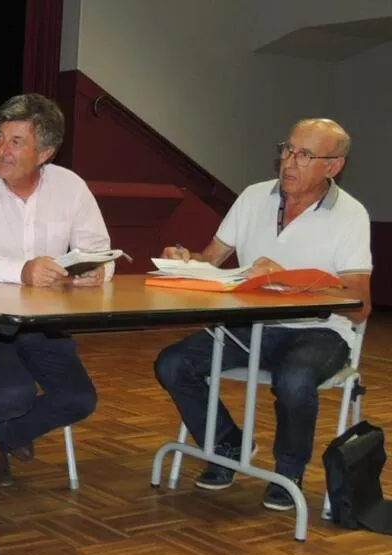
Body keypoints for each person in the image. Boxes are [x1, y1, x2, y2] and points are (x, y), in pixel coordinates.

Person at [154, 118, 371, 511]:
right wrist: (185, 260)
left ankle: (288, 472)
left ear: (333, 166)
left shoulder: (350, 215)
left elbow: (359, 303)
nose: (289, 162)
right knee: (173, 363)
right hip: (249, 324)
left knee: (295, 378)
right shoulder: (254, 197)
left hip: (319, 331)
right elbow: (211, 258)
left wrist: (286, 281)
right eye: (287, 149)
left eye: (305, 155)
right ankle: (227, 444)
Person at [0, 92, 109, 486]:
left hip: (44, 323)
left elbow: (100, 251)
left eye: (16, 142)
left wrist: (98, 272)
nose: (1, 150)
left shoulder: (71, 187)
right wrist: (22, 270)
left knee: (80, 400)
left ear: (45, 152)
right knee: (16, 393)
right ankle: (9, 427)